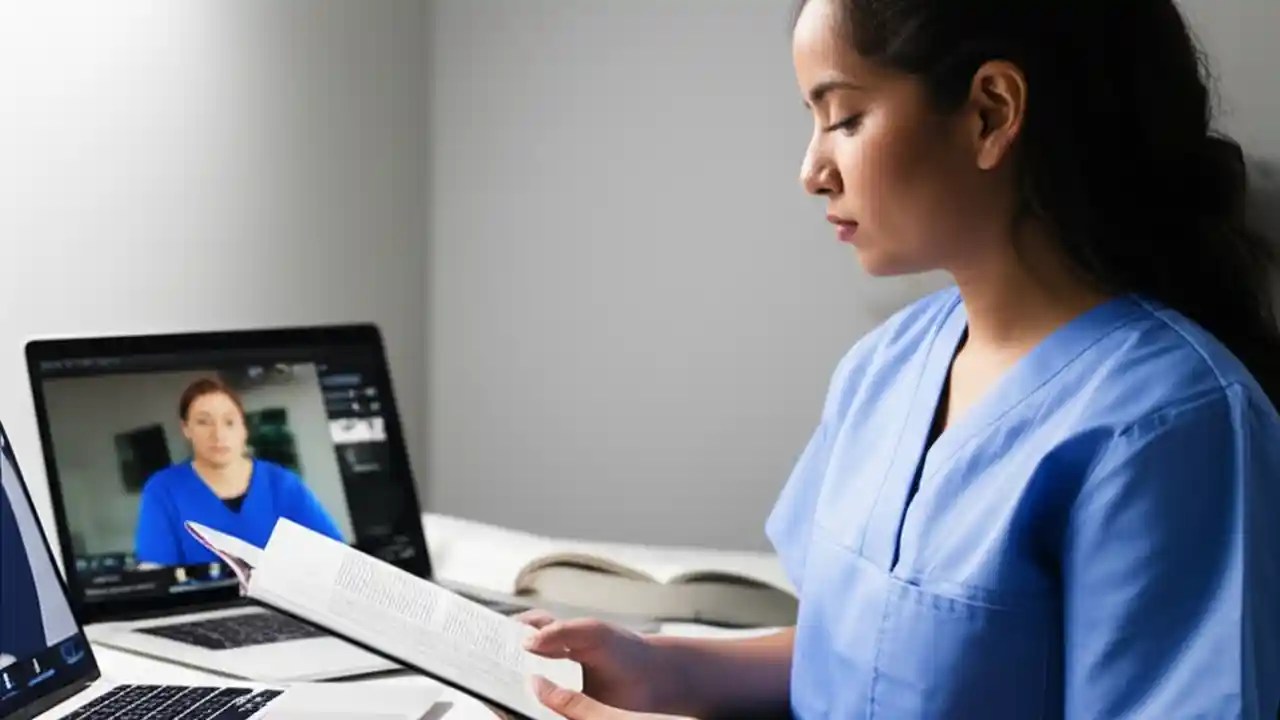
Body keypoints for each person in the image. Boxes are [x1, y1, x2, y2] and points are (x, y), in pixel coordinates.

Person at [516, 0, 1280, 717]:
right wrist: (665, 669)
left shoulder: (1175, 428)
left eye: (843, 117)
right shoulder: (886, 367)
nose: (812, 170)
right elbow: (852, 659)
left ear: (991, 113)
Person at [134, 377, 344, 566]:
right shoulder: (163, 489)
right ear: (186, 429)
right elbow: (157, 571)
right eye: (203, 422)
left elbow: (335, 556)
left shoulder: (281, 484)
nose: (218, 434)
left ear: (244, 429)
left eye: (229, 422)